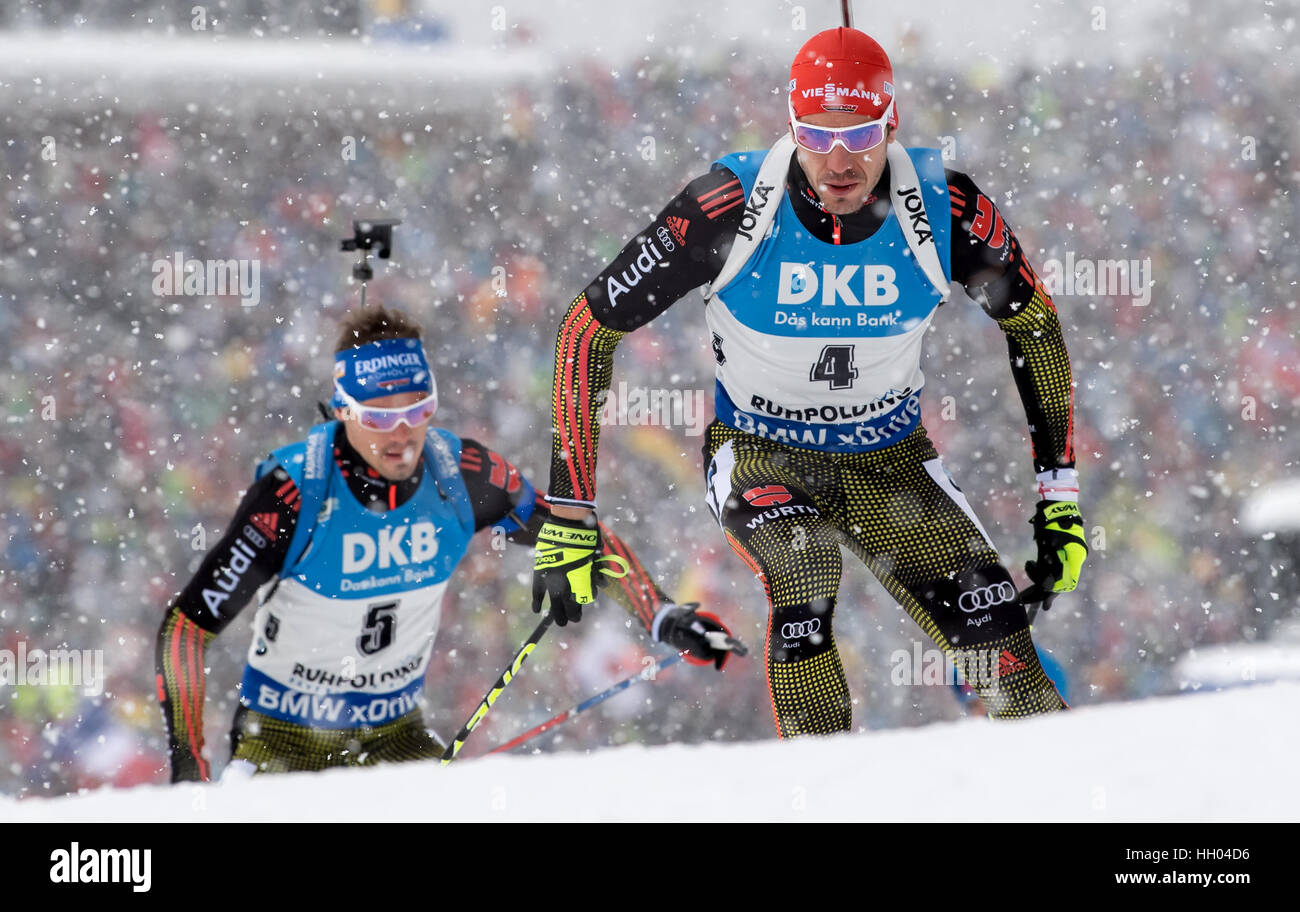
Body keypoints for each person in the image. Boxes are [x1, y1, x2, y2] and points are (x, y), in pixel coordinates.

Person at [532, 27, 1087, 737]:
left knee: (998, 633)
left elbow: (1034, 327)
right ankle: (818, 794)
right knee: (805, 570)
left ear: (891, 122)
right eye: (812, 134)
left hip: (890, 460)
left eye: (858, 133)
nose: (837, 159)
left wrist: (1059, 498)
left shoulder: (945, 209)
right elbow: (587, 326)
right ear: (788, 125)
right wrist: (571, 514)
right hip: (761, 452)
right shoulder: (729, 204)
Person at [155, 305, 744, 781]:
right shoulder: (295, 492)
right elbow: (187, 627)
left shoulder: (460, 474)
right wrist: (190, 765)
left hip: (396, 733)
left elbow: (577, 536)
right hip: (283, 738)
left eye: (415, 410)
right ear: (341, 412)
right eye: (378, 417)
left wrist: (664, 615)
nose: (401, 434)